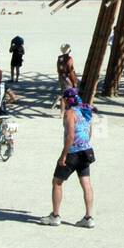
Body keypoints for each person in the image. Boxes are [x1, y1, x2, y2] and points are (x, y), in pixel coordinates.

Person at [35, 88, 96, 228]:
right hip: (86, 150)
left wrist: (63, 155)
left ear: (68, 100)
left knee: (57, 182)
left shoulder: (70, 113)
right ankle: (89, 217)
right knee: (86, 183)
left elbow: (70, 136)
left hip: (72, 152)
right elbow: (89, 131)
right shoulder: (85, 110)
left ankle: (55, 216)